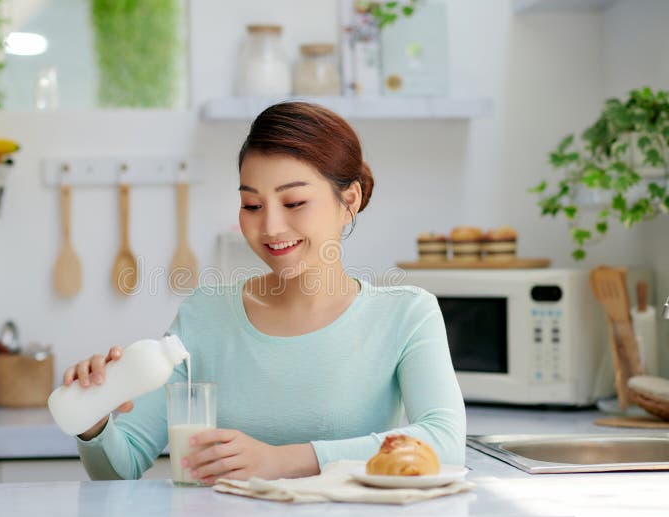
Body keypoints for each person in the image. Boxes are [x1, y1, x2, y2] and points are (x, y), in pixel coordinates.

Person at [67, 102, 466, 484]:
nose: (271, 226)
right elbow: (119, 469)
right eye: (252, 205)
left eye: (294, 202)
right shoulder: (206, 315)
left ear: (350, 201)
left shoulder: (406, 314)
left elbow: (446, 445)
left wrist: (283, 460)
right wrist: (95, 422)